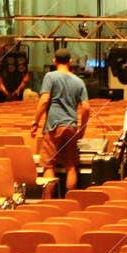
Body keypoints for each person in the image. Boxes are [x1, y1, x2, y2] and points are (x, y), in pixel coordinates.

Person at [30, 48, 89, 197]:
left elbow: (44, 100)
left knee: (48, 165)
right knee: (70, 166)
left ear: (54, 61)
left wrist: (35, 122)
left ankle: (48, 201)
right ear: (70, 61)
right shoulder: (79, 81)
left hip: (53, 126)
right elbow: (86, 108)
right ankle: (70, 200)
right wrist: (82, 128)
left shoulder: (50, 76)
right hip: (71, 126)